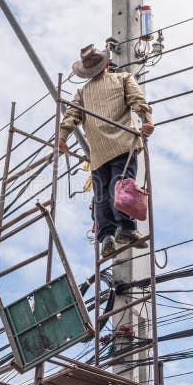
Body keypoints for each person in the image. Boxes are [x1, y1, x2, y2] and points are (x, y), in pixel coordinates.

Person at [58, 44, 154, 258]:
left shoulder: (82, 93)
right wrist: (147, 121)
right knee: (120, 184)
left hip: (98, 152)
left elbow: (70, 117)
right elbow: (138, 101)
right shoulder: (123, 79)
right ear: (107, 67)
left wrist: (62, 138)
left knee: (101, 193)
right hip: (122, 143)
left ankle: (107, 235)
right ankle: (126, 228)